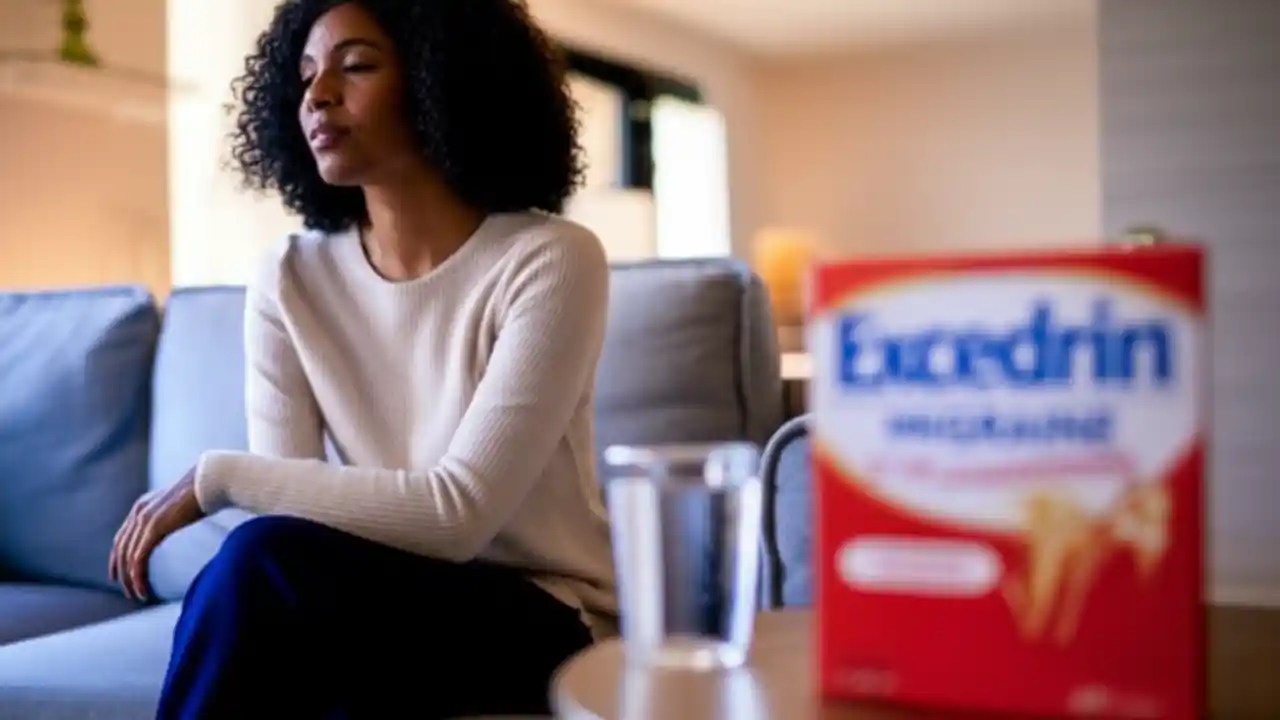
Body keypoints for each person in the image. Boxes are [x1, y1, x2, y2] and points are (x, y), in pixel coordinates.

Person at [107, 0, 618, 717]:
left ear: (445, 79)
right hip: (374, 597)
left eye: (357, 66)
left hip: (539, 614)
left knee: (262, 576)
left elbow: (457, 515)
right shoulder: (290, 278)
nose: (317, 95)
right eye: (308, 73)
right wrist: (250, 493)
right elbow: (287, 527)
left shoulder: (549, 259)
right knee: (282, 598)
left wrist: (217, 477)